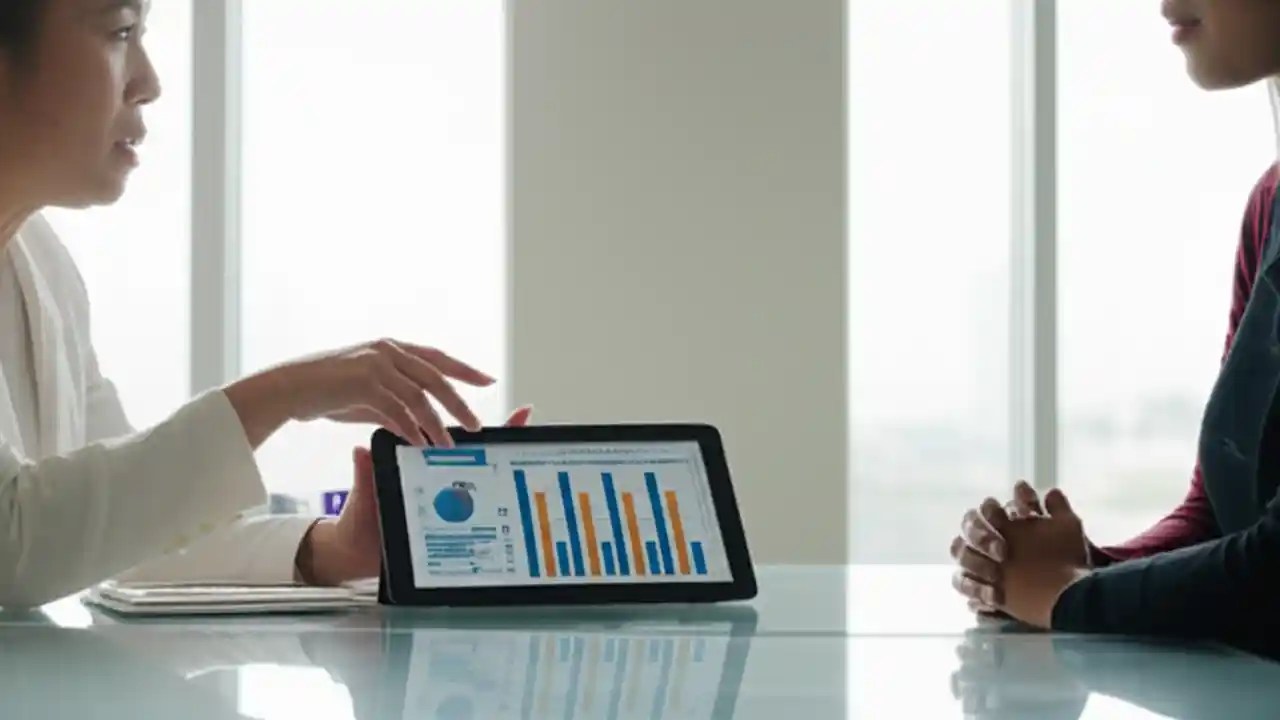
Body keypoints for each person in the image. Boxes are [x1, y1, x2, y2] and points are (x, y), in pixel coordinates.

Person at [0, 0, 532, 608]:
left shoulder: (39, 263)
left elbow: (116, 530)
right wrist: (282, 395)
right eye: (121, 32)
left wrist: (330, 549)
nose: (148, 82)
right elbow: (14, 546)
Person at [949, 0, 1280, 657]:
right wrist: (1079, 570)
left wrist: (1067, 596)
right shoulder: (1269, 204)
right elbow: (1220, 515)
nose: (1165, 2)